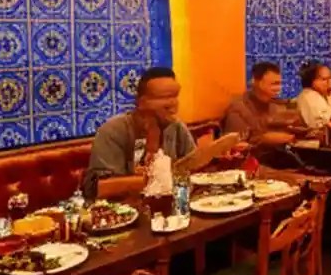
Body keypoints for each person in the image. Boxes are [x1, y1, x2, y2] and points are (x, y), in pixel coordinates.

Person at [81, 66, 196, 198]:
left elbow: (194, 168)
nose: (173, 104)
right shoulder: (112, 131)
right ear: (142, 102)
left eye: (175, 96)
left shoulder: (176, 128)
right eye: (164, 97)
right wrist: (152, 179)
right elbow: (101, 188)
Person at [222, 62, 303, 152]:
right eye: (274, 84)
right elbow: (235, 145)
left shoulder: (273, 106)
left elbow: (278, 130)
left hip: (276, 154)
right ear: (257, 82)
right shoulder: (239, 108)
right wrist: (264, 139)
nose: (278, 88)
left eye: (279, 83)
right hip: (253, 160)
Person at [295, 61, 331, 135]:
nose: (329, 82)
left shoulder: (325, 94)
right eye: (324, 79)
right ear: (311, 80)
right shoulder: (308, 96)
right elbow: (329, 125)